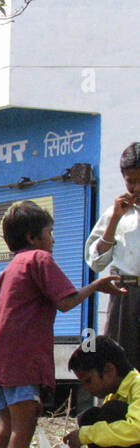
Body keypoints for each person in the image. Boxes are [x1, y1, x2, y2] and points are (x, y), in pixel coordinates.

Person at [0, 202, 124, 448]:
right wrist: (96, 285)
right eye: (50, 233)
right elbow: (65, 302)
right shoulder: (39, 259)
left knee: (6, 428)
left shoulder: (8, 269)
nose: (53, 240)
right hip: (21, 357)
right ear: (33, 237)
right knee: (22, 431)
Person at [85, 143, 140, 366]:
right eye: (131, 181)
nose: (136, 188)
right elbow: (96, 262)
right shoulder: (115, 214)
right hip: (126, 298)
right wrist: (115, 220)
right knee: (121, 368)